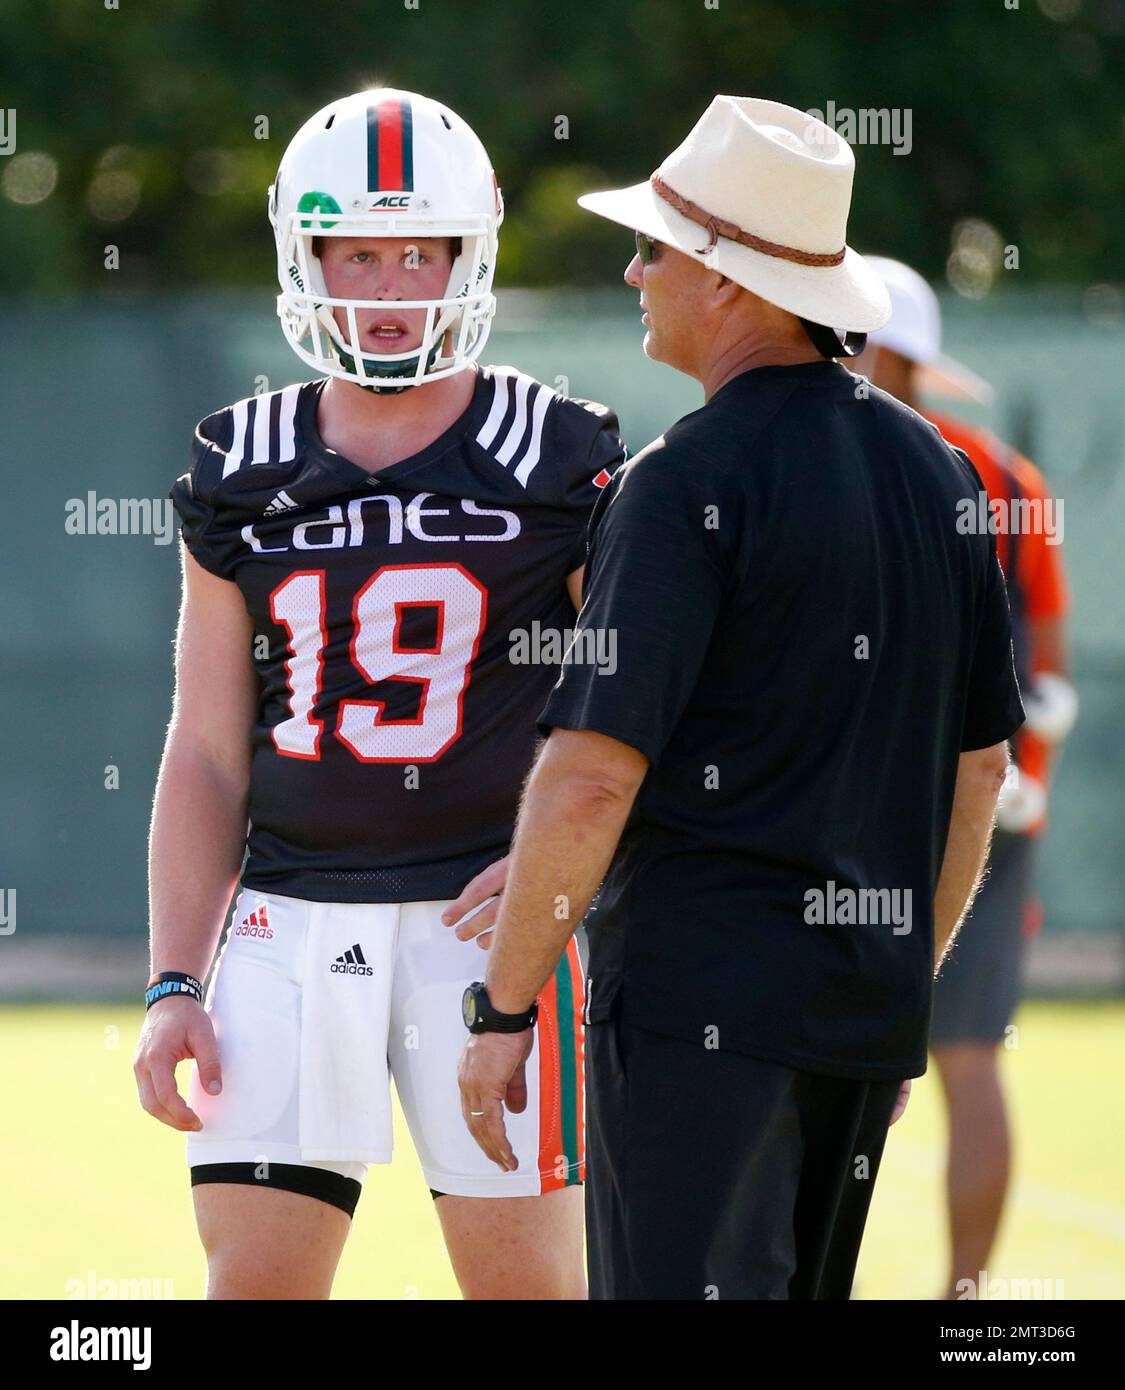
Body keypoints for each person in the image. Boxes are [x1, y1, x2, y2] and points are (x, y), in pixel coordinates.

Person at [452, 95, 1023, 1300]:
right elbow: (980, 770)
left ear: (725, 280)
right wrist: (901, 981)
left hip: (698, 1014)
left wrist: (501, 1009)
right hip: (861, 1014)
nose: (635, 267)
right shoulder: (947, 475)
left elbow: (594, 771)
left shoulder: (680, 479)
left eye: (657, 245)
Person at [132, 87, 625, 1300]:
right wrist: (174, 980)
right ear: (306, 257)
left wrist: (573, 862)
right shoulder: (239, 464)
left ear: (472, 256)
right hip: (287, 924)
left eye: (420, 253)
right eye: (358, 251)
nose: (391, 287)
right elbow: (204, 744)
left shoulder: (561, 454)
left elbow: (638, 703)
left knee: (530, 1294)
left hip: (487, 933)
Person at [849, 258, 1075, 1299]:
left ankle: (959, 1300)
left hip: (886, 810)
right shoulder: (1007, 478)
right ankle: (961, 1300)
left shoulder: (830, 462)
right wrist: (1030, 777)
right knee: (956, 1055)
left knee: (958, 1056)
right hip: (972, 801)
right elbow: (1053, 680)